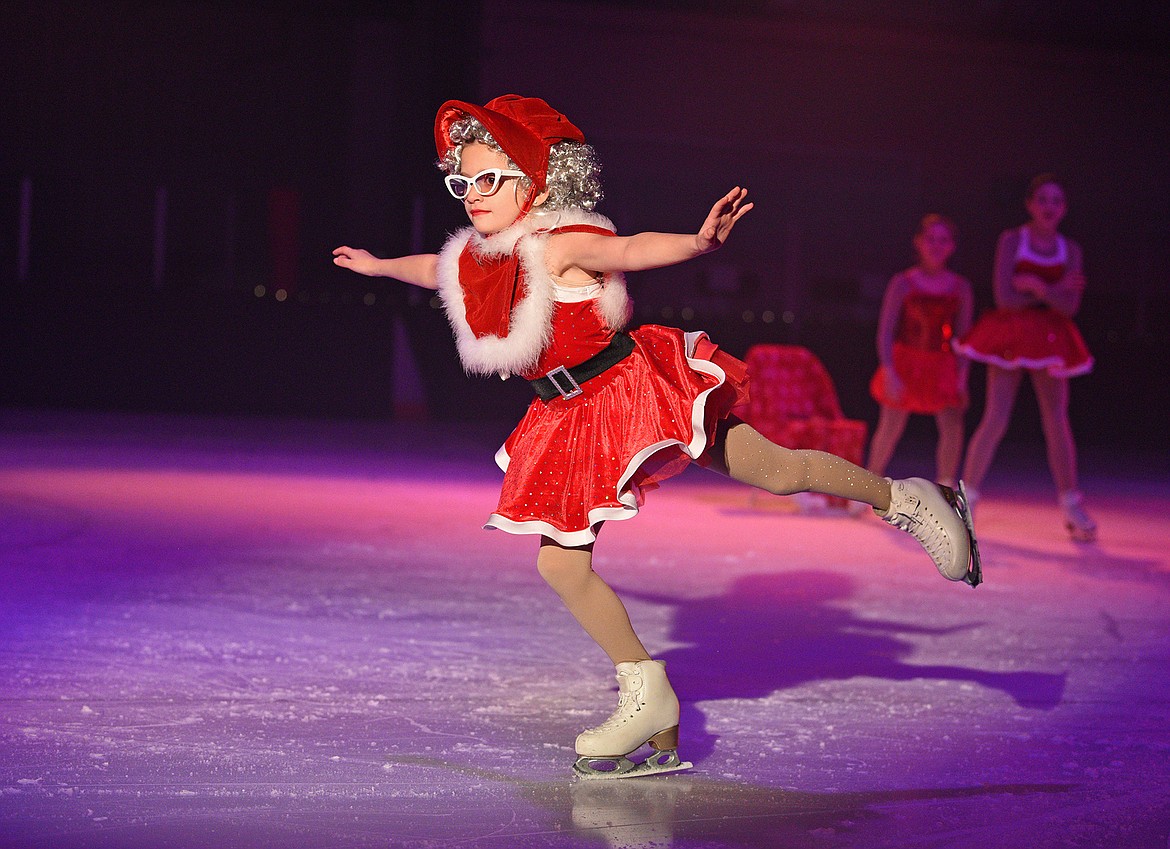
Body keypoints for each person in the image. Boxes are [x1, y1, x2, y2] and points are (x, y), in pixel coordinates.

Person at [332, 95, 981, 780]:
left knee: (779, 473)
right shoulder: (482, 259)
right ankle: (648, 695)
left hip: (631, 391)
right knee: (562, 564)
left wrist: (698, 244)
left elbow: (630, 249)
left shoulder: (562, 241)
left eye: (490, 178)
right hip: (567, 417)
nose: (473, 195)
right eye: (462, 183)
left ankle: (912, 500)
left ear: (537, 180)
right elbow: (436, 268)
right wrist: (378, 266)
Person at [954, 174, 1096, 542]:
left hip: (1051, 336)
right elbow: (1005, 297)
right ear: (1031, 205)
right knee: (996, 415)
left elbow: (1069, 306)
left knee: (1056, 419)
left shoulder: (1072, 250)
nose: (1049, 207)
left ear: (1063, 209)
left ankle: (1071, 503)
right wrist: (1052, 292)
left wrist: (1036, 287)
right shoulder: (1013, 240)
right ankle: (966, 500)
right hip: (1010, 333)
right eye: (1043, 200)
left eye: (1057, 201)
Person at [867, 214, 974, 487]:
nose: (936, 246)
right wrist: (889, 370)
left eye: (943, 240)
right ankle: (868, 484)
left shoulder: (961, 287)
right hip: (906, 360)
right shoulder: (903, 283)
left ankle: (947, 487)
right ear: (918, 243)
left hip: (943, 365)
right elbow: (885, 331)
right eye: (931, 240)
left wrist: (962, 376)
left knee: (952, 426)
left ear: (952, 246)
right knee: (890, 426)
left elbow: (963, 339)